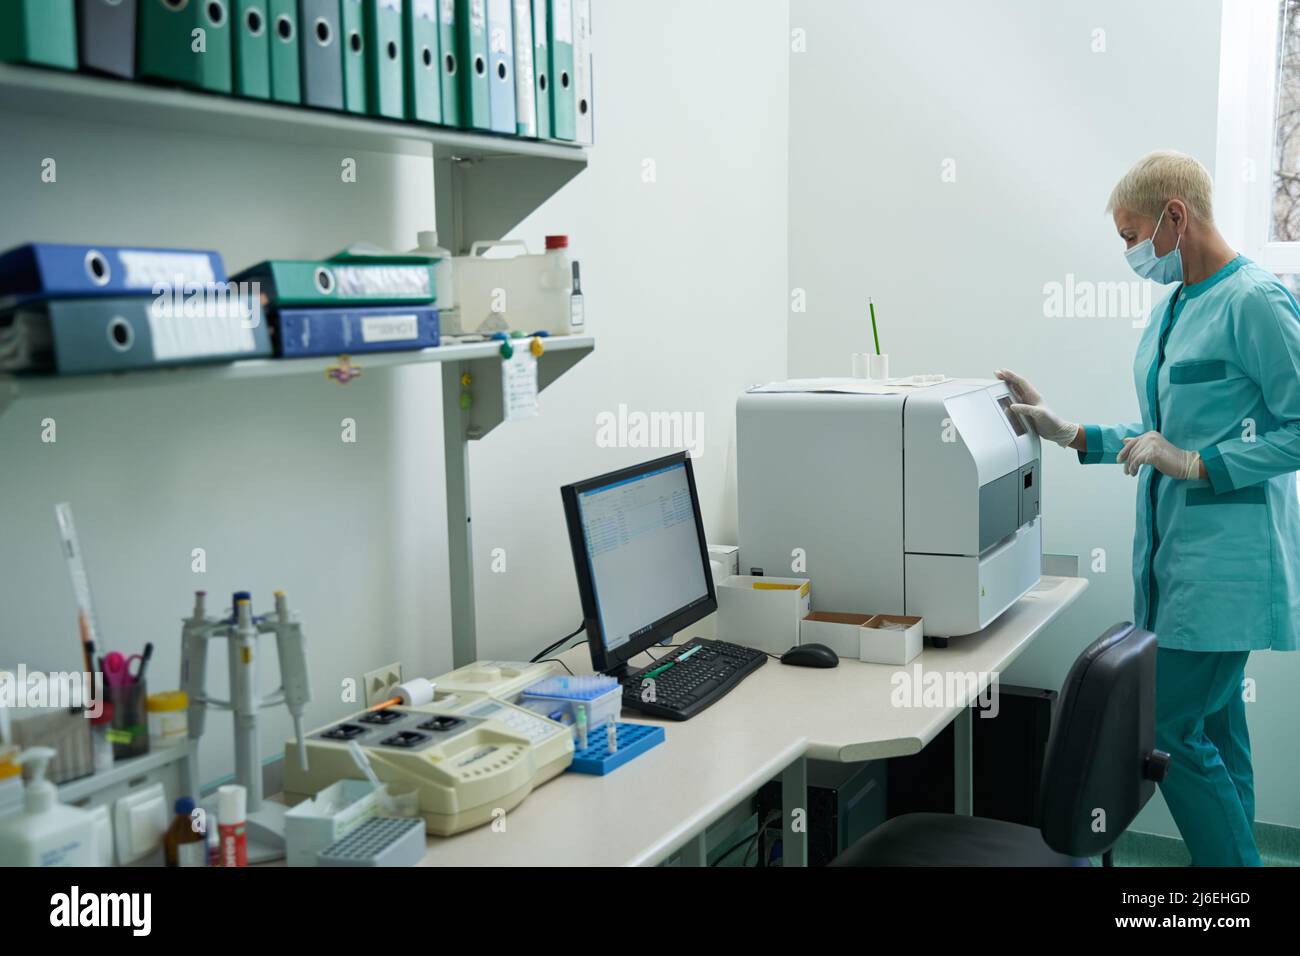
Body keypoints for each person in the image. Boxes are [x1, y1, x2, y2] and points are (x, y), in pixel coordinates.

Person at [999, 150, 1300, 866]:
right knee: (1218, 734)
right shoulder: (1175, 308)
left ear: (1175, 215)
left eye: (1133, 235)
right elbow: (1158, 435)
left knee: (1167, 730)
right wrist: (1072, 432)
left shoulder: (1255, 300)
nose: (1131, 252)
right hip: (1171, 569)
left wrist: (1203, 465)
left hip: (1226, 574)